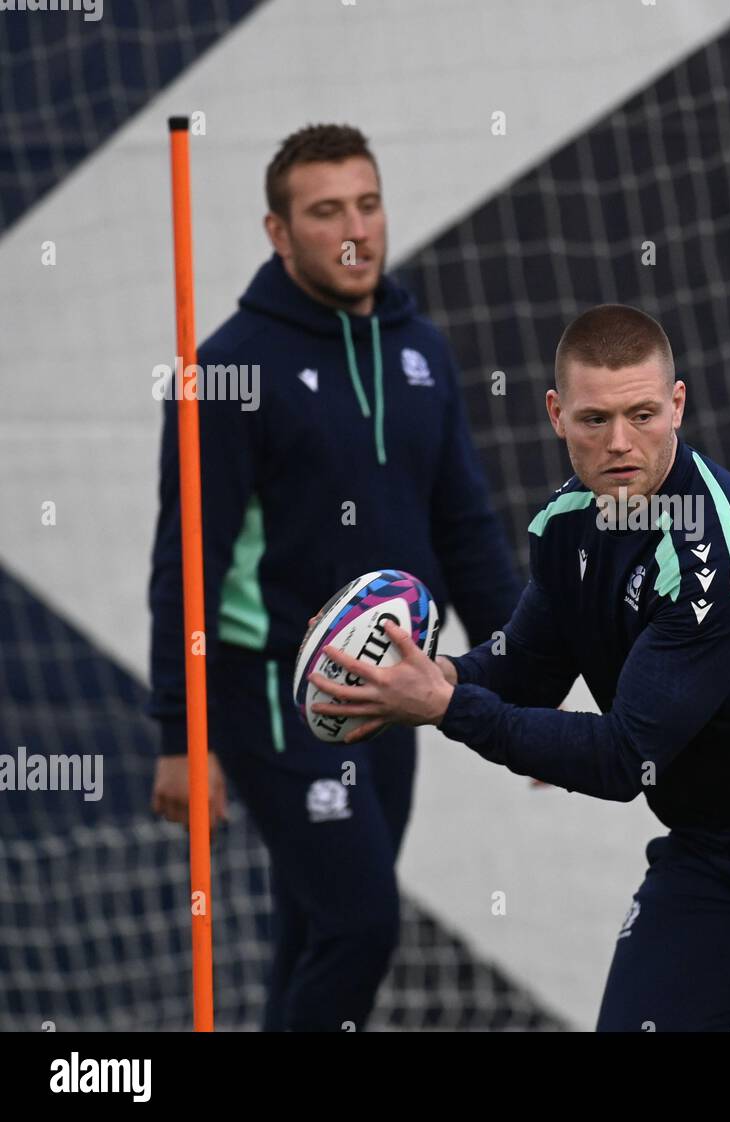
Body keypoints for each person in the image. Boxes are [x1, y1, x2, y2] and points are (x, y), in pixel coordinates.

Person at [309, 303, 730, 1031]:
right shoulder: (565, 522)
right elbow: (526, 671)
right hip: (719, 852)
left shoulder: (722, 560)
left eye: (642, 414)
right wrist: (430, 674)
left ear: (678, 405)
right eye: (594, 420)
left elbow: (622, 760)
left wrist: (446, 707)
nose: (620, 444)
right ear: (555, 414)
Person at [147, 124, 520, 1031]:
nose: (354, 231)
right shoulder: (230, 369)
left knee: (313, 933)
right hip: (275, 697)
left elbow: (465, 528)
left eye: (367, 203)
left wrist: (525, 680)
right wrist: (178, 734)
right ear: (278, 233)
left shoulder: (421, 350)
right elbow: (186, 557)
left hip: (393, 693)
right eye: (324, 213)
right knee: (361, 927)